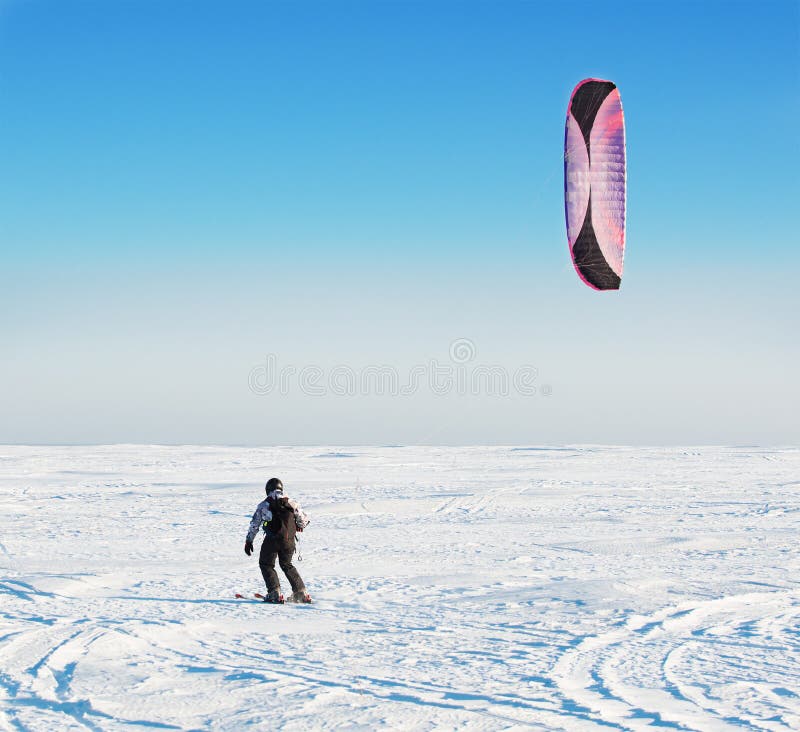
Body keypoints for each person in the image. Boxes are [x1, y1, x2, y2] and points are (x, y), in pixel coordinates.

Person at [244, 477, 311, 603]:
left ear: (267, 490)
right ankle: (301, 592)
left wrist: (249, 541)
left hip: (272, 540)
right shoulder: (291, 502)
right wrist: (299, 526)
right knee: (287, 564)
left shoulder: (264, 504)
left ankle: (275, 592)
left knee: (266, 564)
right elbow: (304, 520)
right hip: (289, 540)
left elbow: (255, 524)